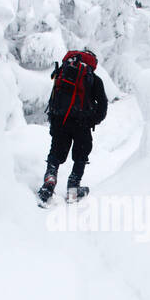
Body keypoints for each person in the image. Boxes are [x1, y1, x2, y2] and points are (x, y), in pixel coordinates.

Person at [38, 47, 107, 203]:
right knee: (80, 156)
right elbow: (103, 106)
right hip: (81, 123)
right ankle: (73, 190)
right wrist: (91, 120)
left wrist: (54, 117)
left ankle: (49, 181)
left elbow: (54, 96)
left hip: (60, 120)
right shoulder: (94, 79)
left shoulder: (63, 72)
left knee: (56, 152)